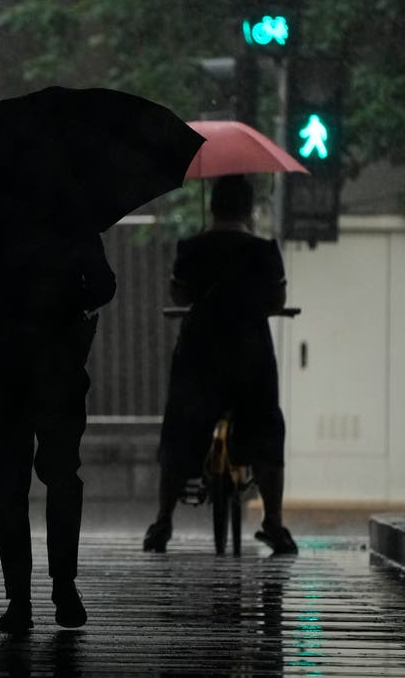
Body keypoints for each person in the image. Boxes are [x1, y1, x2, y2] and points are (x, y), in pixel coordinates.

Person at [0, 212, 115, 634]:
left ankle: (19, 598)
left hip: (1, 363)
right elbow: (103, 285)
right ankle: (64, 585)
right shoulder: (73, 218)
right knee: (62, 474)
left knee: (8, 483)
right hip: (59, 362)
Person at [143, 174, 296, 555]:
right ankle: (274, 525)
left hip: (200, 355)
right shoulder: (263, 250)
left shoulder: (192, 248)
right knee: (266, 428)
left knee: (180, 428)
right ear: (247, 208)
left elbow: (179, 293)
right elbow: (276, 301)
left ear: (212, 206)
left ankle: (163, 522)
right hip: (250, 356)